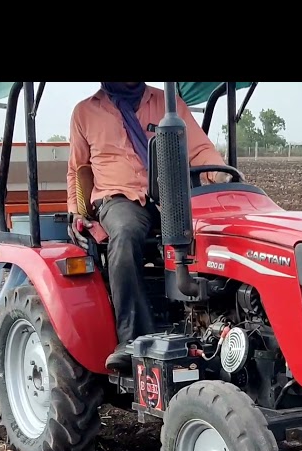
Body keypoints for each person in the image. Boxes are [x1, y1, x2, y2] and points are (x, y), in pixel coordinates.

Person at [67, 81, 230, 373]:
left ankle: (220, 326)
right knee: (126, 233)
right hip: (118, 197)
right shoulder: (85, 112)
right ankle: (133, 340)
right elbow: (76, 168)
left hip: (168, 196)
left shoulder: (167, 103)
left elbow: (200, 149)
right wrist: (75, 212)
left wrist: (220, 175)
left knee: (217, 231)